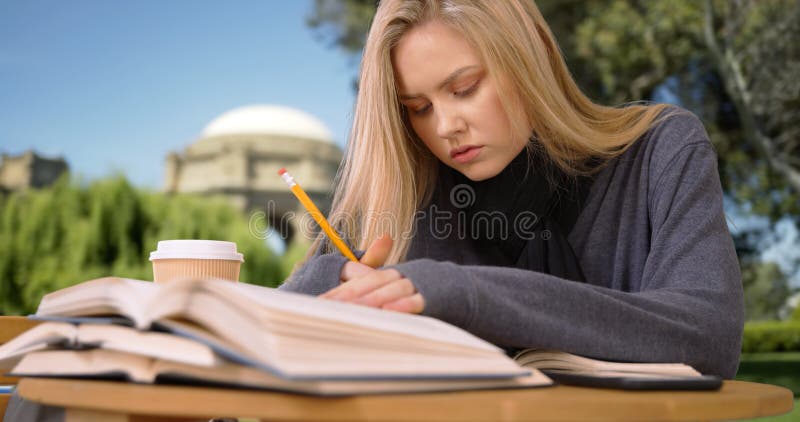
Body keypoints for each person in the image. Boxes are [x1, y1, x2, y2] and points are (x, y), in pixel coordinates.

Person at [279, 0, 743, 378]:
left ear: (530, 57)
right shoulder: (401, 189)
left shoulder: (660, 148)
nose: (445, 126)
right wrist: (332, 280)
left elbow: (709, 337)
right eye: (418, 108)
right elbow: (265, 324)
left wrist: (462, 294)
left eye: (465, 88)